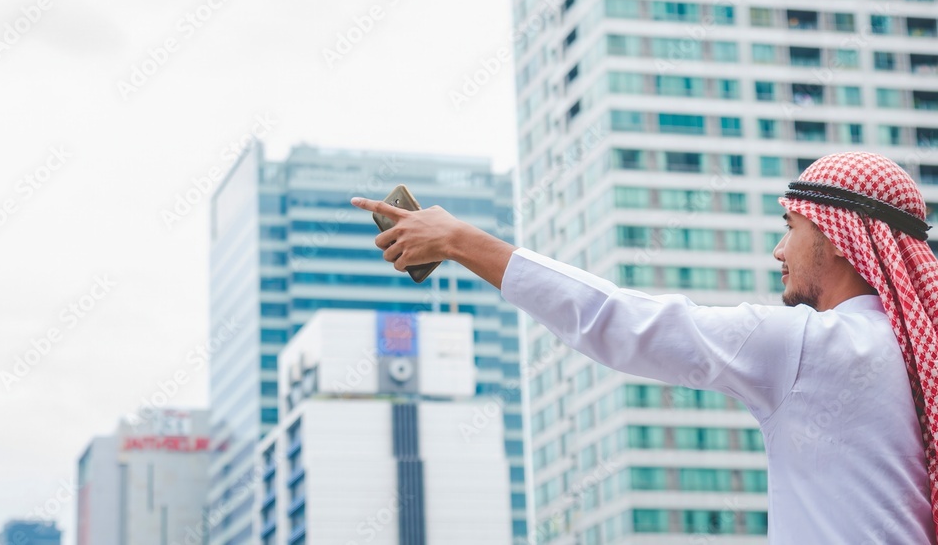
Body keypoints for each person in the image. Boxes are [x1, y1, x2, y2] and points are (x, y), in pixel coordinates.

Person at [351, 151, 938, 544]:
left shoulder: (811, 347)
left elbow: (615, 320)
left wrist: (460, 241)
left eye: (790, 226)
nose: (779, 251)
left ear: (838, 236)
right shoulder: (912, 361)